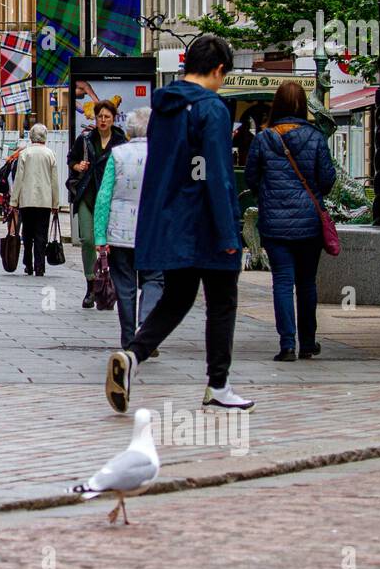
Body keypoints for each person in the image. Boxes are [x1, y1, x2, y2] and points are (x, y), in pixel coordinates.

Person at [105, 34, 255, 414]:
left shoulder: (164, 108)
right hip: (205, 221)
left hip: (169, 220)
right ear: (219, 70)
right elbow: (217, 173)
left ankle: (134, 356)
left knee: (177, 297)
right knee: (222, 302)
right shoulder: (212, 109)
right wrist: (228, 231)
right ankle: (218, 384)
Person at [245, 81, 337, 362]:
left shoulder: (264, 138)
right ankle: (308, 342)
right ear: (302, 106)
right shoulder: (315, 137)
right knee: (307, 283)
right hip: (309, 222)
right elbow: (328, 179)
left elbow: (251, 178)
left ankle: (287, 344)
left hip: (275, 223)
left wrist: (268, 196)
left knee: (282, 282)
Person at [93, 107, 164, 348]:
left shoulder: (118, 154)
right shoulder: (163, 154)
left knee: (124, 286)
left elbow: (104, 196)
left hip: (120, 231)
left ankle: (128, 337)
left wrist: (100, 235)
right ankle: (147, 322)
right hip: (153, 232)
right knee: (155, 279)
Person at [68, 100, 127, 307]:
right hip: (87, 194)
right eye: (100, 116)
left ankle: (107, 283)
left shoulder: (120, 142)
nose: (103, 120)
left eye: (107, 117)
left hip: (111, 198)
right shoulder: (85, 139)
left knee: (109, 244)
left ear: (113, 119)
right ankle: (91, 285)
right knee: (87, 240)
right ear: (95, 117)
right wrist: (78, 165)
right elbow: (71, 160)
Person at [11, 124, 60, 277]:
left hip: (27, 199)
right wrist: (55, 203)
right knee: (41, 234)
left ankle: (28, 264)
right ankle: (40, 266)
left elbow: (19, 179)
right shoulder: (50, 154)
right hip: (44, 200)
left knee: (27, 233)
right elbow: (54, 181)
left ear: (31, 136)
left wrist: (14, 200)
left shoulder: (25, 154)